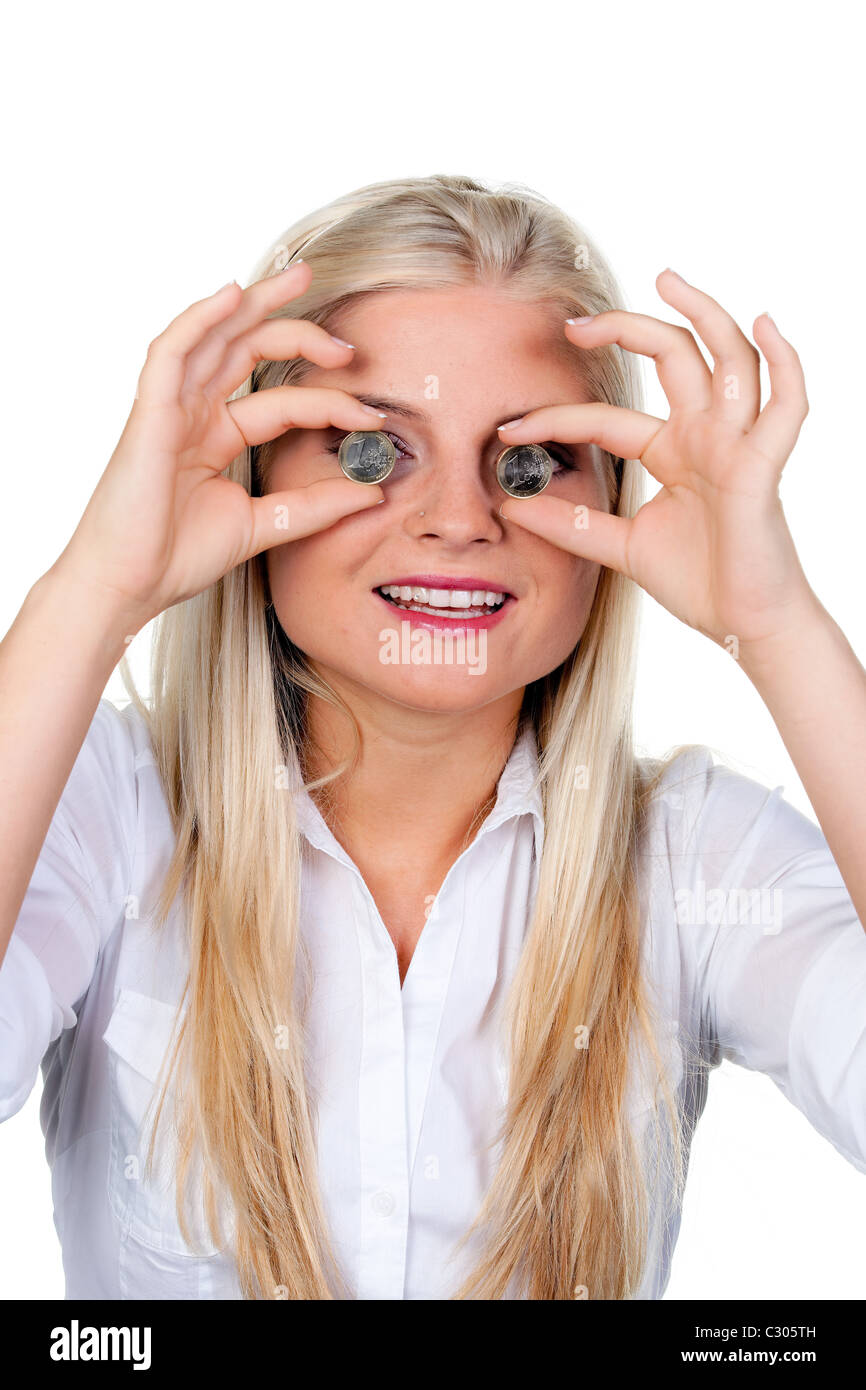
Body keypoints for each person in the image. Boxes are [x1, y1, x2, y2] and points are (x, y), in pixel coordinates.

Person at [1, 173, 864, 1301]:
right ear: (249, 479)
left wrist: (775, 625)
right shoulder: (104, 811)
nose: (459, 518)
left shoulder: (692, 860)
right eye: (371, 451)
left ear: (609, 509)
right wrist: (92, 592)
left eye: (526, 462)